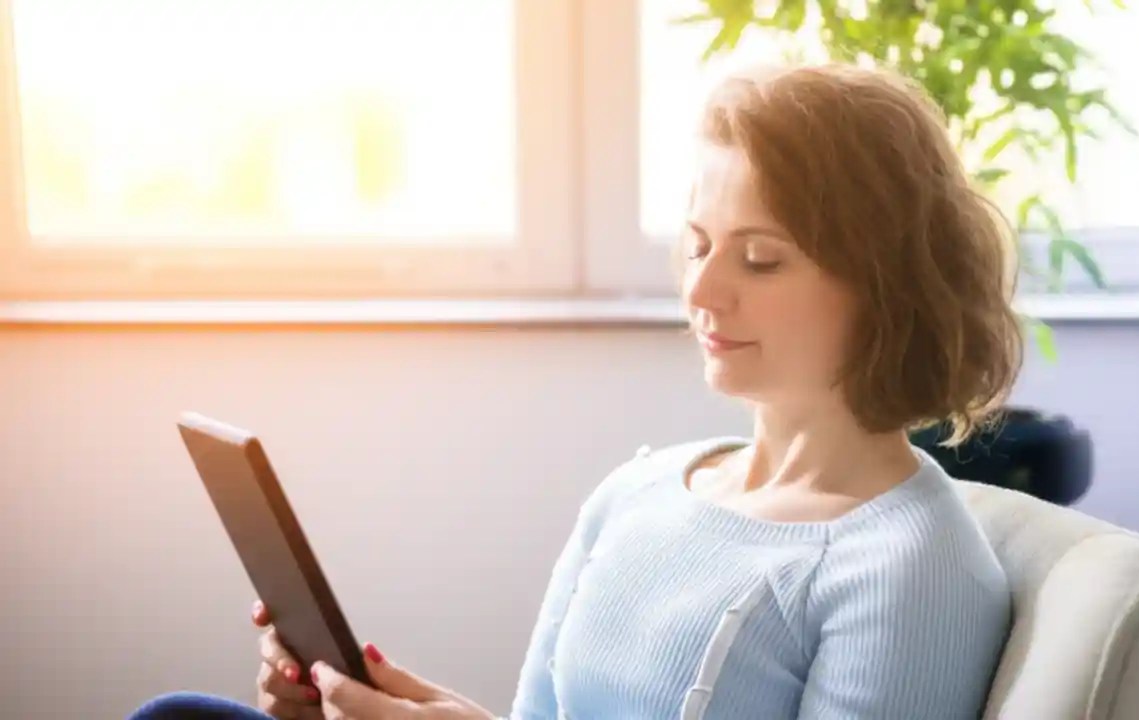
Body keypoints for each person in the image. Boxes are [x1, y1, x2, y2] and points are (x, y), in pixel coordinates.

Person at [128, 60, 1023, 720]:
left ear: (883, 280)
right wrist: (365, 704)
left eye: (760, 258)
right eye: (699, 244)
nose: (704, 291)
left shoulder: (911, 570)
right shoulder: (639, 490)